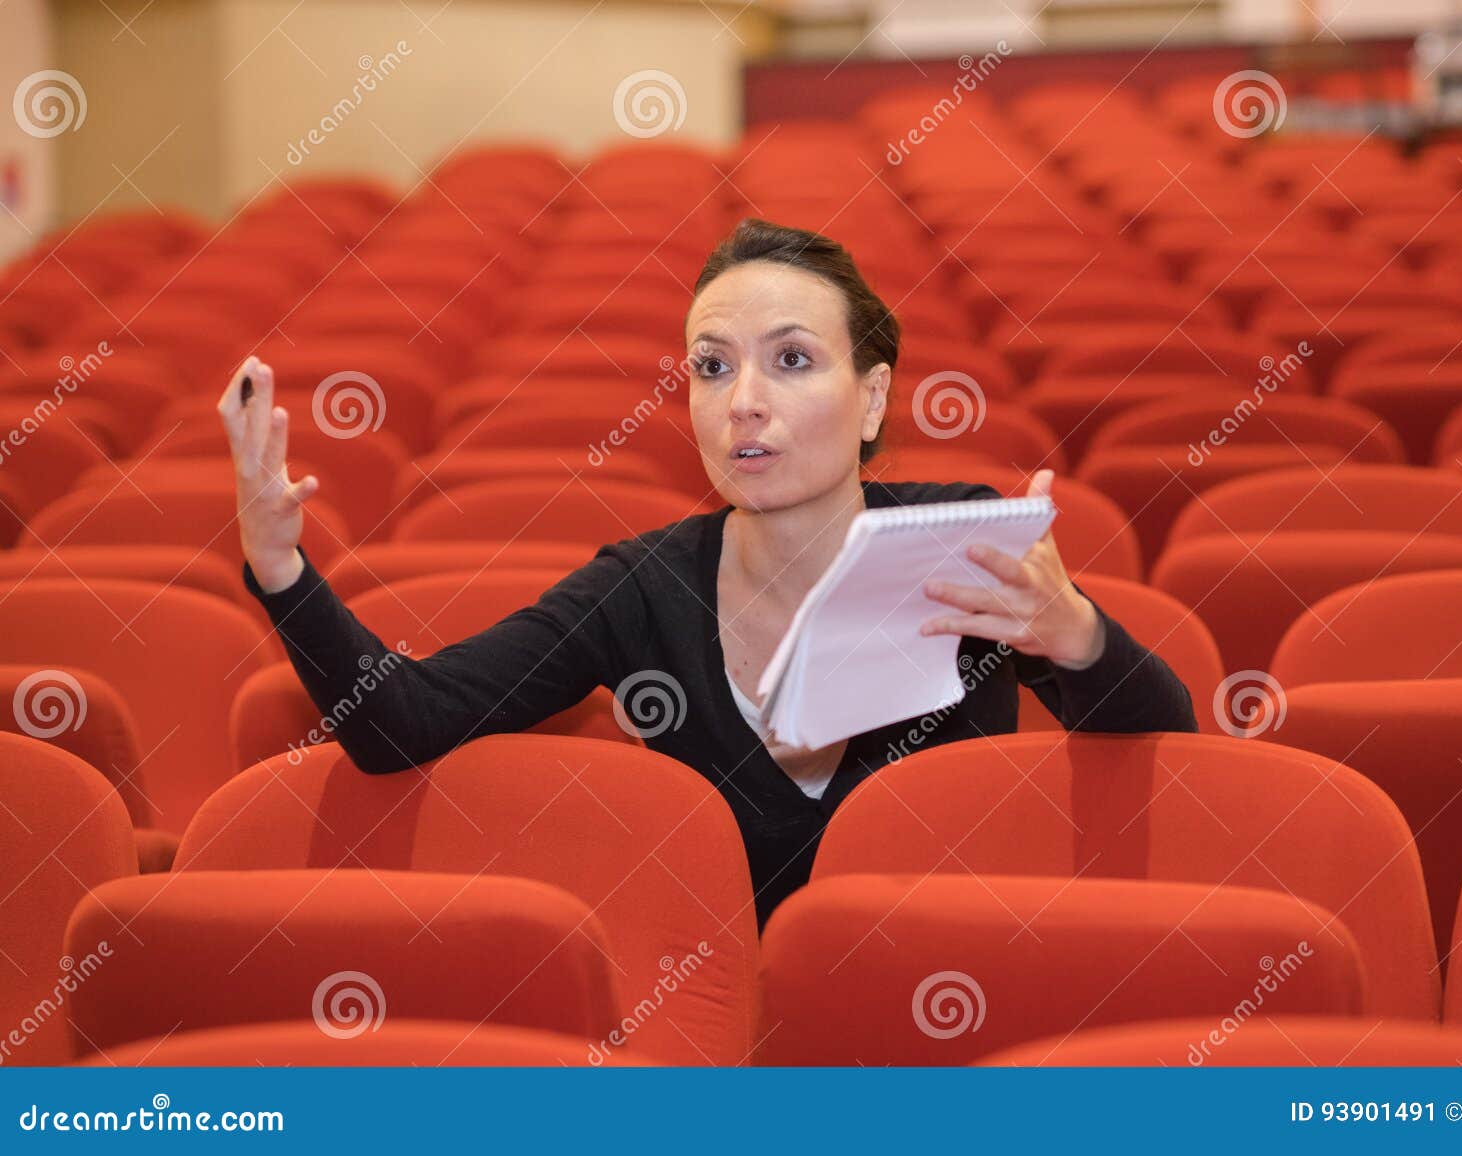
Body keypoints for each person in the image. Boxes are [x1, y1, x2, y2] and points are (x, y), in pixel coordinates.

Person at [217, 217, 1197, 926]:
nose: (746, 403)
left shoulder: (963, 540)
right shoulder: (642, 586)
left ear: (871, 401)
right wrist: (279, 562)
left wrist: (1072, 634)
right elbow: (404, 725)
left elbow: (1165, 747)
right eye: (713, 367)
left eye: (793, 360)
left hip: (954, 1014)